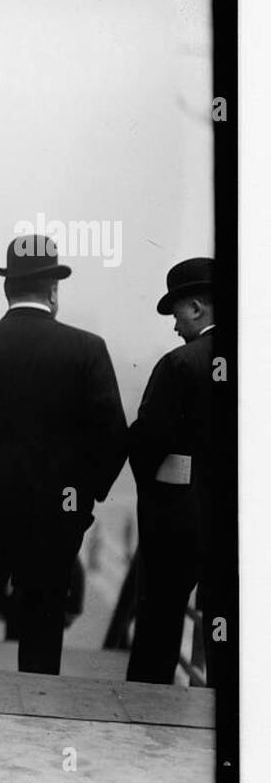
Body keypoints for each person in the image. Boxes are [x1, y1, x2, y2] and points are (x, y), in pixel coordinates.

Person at [0, 236, 127, 674]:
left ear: (6, 288)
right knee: (45, 598)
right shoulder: (87, 348)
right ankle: (36, 696)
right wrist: (86, 496)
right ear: (53, 291)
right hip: (57, 504)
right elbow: (112, 434)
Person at [125, 257, 216, 685]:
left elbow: (147, 440)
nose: (175, 326)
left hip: (180, 514)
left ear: (196, 308)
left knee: (160, 620)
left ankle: (146, 714)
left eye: (177, 313)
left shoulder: (181, 364)